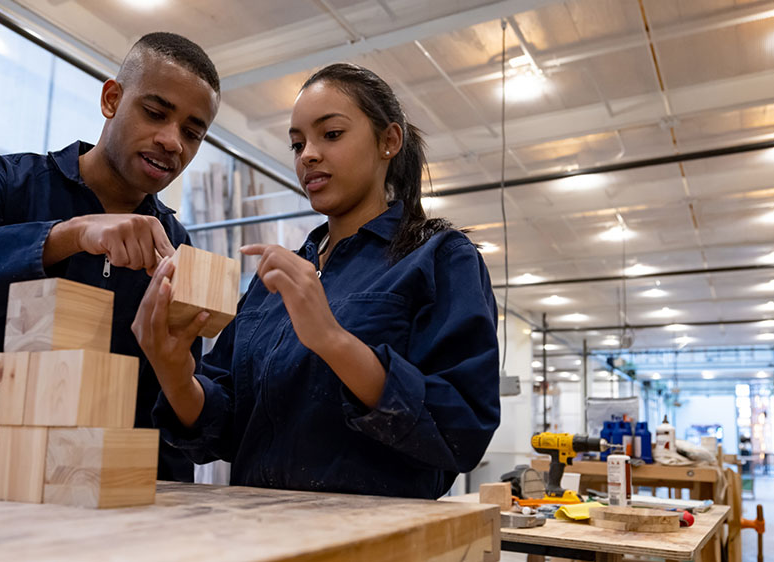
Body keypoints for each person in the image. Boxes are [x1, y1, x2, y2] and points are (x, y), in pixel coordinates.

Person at [134, 63, 501, 499]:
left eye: (331, 134)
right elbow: (225, 428)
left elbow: (462, 428)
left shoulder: (439, 259)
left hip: (377, 532)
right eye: (297, 143)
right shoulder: (276, 280)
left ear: (389, 141)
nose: (307, 155)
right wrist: (174, 372)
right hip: (260, 526)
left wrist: (332, 339)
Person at [0, 32, 221, 481]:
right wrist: (63, 237)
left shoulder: (174, 246)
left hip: (102, 493)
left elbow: (165, 407)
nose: (172, 141)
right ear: (112, 99)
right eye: (155, 113)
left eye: (192, 133)